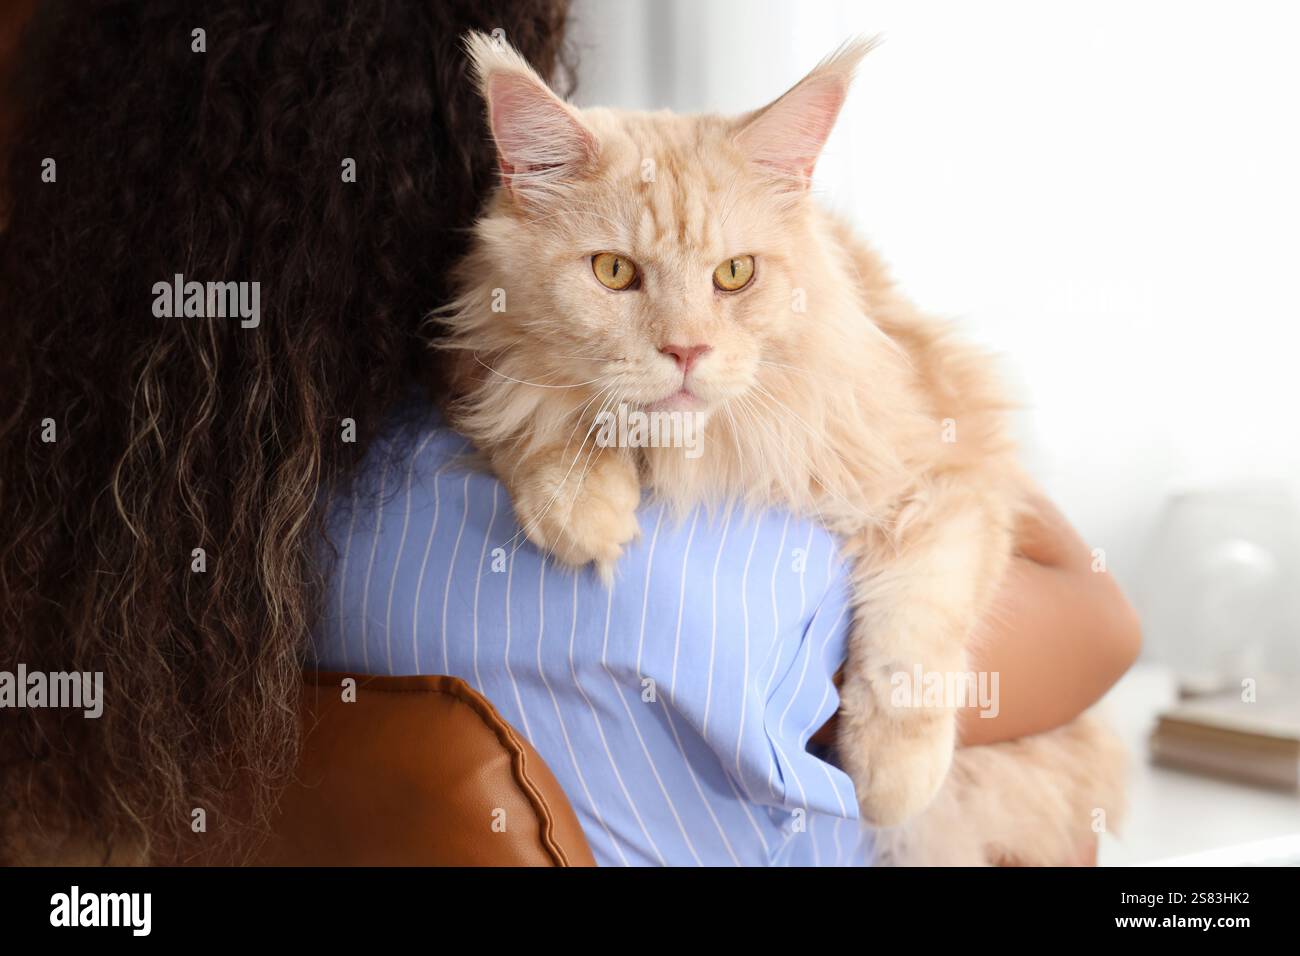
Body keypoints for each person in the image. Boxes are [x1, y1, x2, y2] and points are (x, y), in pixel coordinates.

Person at [0, 0, 1138, 866]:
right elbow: (1099, 624)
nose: (686, 337)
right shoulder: (742, 579)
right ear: (488, 165)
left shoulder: (147, 555)